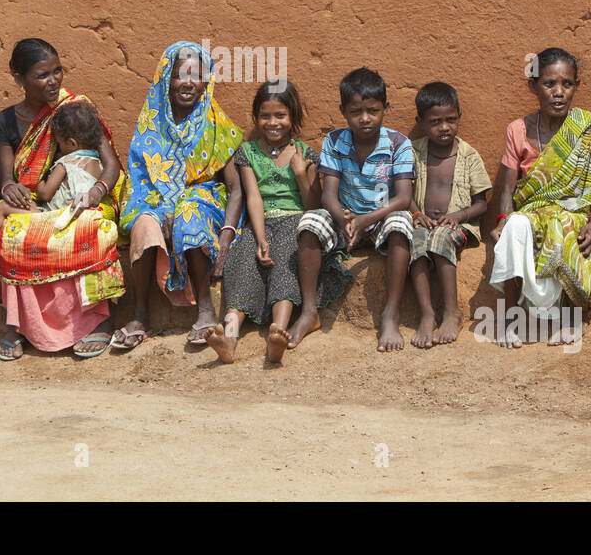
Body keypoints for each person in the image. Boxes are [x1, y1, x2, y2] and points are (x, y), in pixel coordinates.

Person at [0, 39, 124, 360]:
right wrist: (10, 188)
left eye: (57, 71)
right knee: (11, 233)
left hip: (85, 198)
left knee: (89, 230)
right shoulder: (6, 121)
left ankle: (95, 321)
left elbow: (111, 165)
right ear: (19, 79)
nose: (53, 81)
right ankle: (18, 324)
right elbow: (8, 176)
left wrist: (97, 192)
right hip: (38, 201)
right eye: (42, 75)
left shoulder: (78, 108)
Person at [204, 80, 350, 364]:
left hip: (297, 222)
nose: (273, 122)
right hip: (261, 224)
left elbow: (313, 206)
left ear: (293, 117)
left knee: (286, 262)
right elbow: (254, 198)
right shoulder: (247, 153)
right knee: (243, 263)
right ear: (256, 118)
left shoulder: (305, 154)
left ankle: (279, 333)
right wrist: (259, 238)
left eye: (280, 115)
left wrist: (299, 174)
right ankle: (229, 337)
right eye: (265, 116)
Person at [114, 41, 244, 351]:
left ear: (206, 81)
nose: (187, 83)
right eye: (179, 75)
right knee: (145, 222)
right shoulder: (150, 125)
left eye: (196, 75)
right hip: (156, 200)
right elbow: (140, 181)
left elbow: (235, 188)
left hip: (205, 199)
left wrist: (226, 234)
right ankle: (140, 315)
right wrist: (164, 207)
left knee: (189, 213)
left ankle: (205, 310)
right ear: (165, 78)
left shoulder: (216, 124)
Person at [488, 48, 591, 347]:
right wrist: (503, 220)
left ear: (576, 87)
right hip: (532, 212)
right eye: (549, 84)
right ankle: (511, 318)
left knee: (565, 224)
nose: (559, 92)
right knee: (516, 228)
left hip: (578, 214)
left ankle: (573, 319)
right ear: (533, 86)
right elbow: (507, 189)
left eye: (567, 84)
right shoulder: (517, 130)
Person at [294, 67, 414, 352]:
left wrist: (366, 220)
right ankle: (309, 311)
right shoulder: (335, 142)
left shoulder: (399, 144)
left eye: (373, 110)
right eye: (355, 112)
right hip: (345, 216)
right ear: (343, 111)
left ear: (385, 108)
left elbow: (404, 198)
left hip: (381, 216)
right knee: (310, 222)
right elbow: (329, 195)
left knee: (400, 223)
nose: (365, 118)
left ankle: (390, 314)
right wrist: (344, 220)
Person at [407, 81, 490, 348]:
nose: (444, 127)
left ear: (459, 118)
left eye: (451, 120)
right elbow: (402, 191)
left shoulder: (468, 155)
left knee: (442, 237)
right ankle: (427, 313)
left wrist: (459, 215)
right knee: (416, 240)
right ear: (420, 121)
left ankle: (452, 311)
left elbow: (482, 204)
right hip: (423, 221)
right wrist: (416, 212)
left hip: (459, 227)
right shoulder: (412, 152)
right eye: (435, 121)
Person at [0, 102, 104, 270]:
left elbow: (45, 194)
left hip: (53, 217)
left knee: (2, 207)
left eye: (59, 143)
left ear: (72, 144)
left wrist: (39, 179)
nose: (57, 149)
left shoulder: (66, 162)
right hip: (77, 219)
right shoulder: (99, 164)